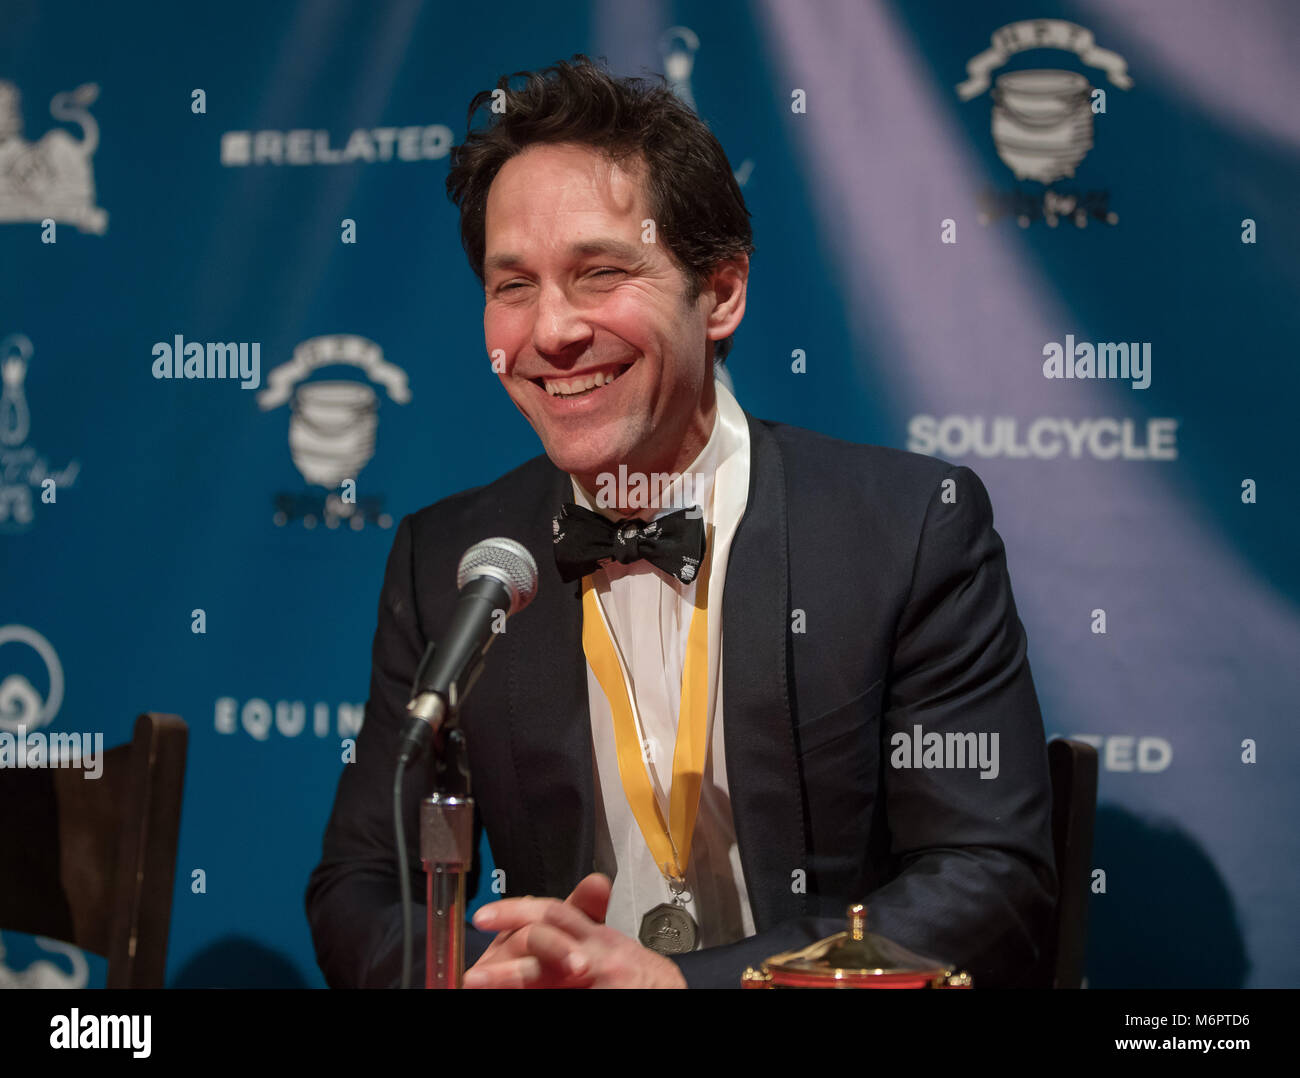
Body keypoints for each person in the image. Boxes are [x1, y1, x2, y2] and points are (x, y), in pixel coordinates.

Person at [305, 55, 1056, 989]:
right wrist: (461, 978)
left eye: (600, 272)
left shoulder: (907, 530)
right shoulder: (451, 562)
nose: (552, 332)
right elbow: (361, 884)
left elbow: (991, 880)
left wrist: (690, 988)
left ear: (722, 293)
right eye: (513, 286)